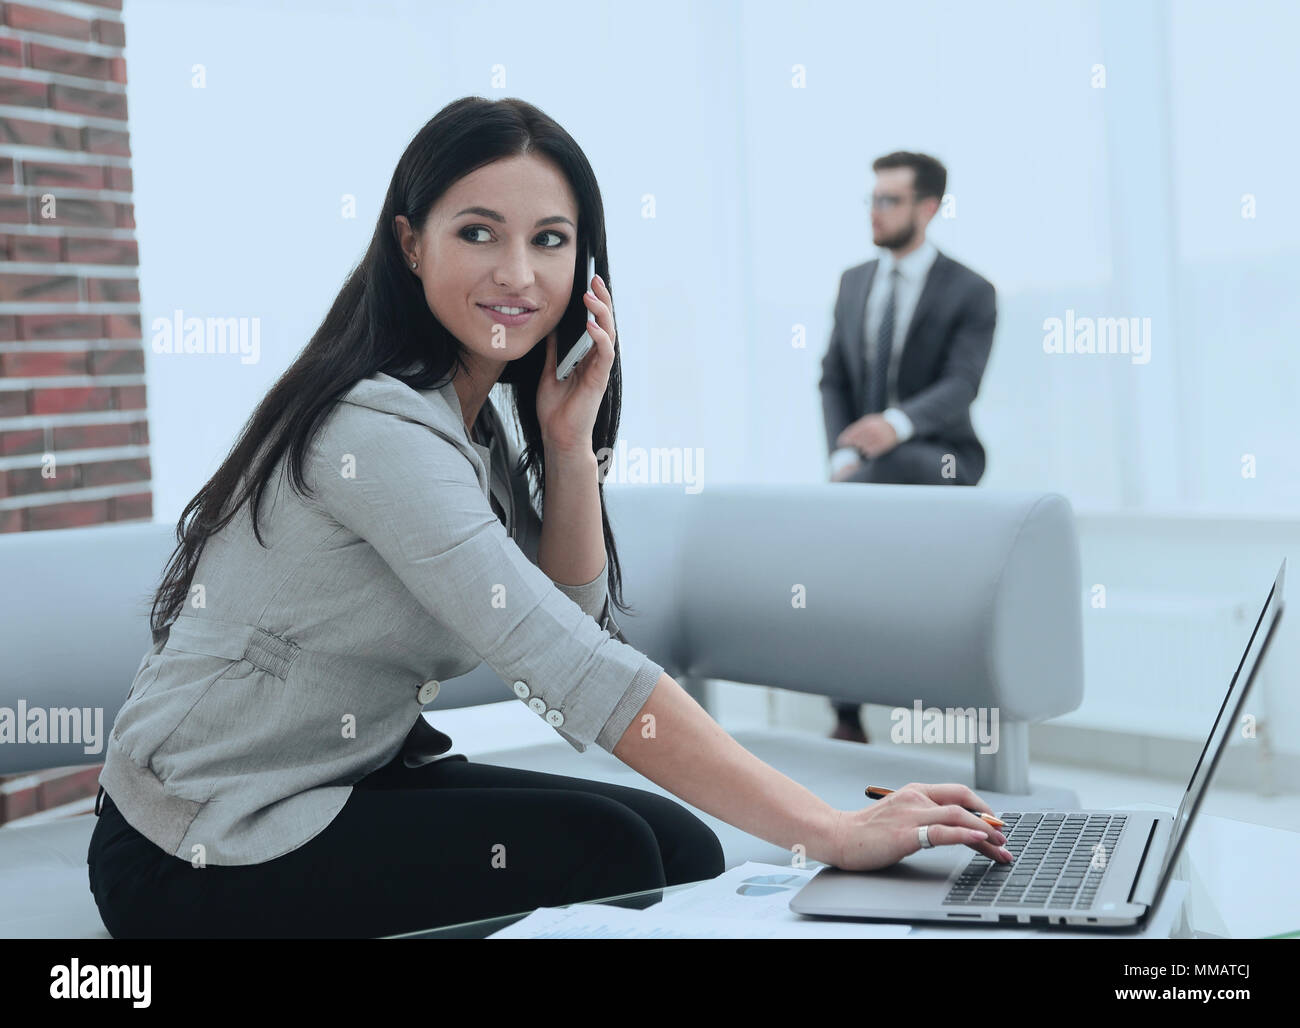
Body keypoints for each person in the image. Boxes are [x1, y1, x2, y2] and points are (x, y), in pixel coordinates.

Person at [86, 100, 1013, 939]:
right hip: (202, 839)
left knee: (676, 845)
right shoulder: (377, 430)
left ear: (585, 261)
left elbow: (569, 617)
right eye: (480, 232)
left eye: (552, 240)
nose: (518, 274)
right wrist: (830, 828)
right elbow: (571, 666)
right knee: (614, 856)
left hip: (345, 777)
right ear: (411, 244)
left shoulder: (473, 421)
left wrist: (568, 449)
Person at [818, 152, 997, 745]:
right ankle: (846, 712)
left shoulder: (971, 290)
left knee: (857, 505)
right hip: (863, 469)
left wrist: (895, 424)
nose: (876, 211)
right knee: (840, 544)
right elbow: (833, 377)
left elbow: (962, 384)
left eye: (890, 200)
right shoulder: (853, 282)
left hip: (938, 458)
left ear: (929, 208)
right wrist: (842, 454)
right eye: (872, 198)